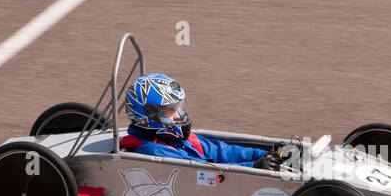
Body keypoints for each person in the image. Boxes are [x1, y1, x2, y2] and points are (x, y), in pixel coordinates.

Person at [119, 73, 284, 169]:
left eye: (178, 108)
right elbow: (207, 173)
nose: (178, 115)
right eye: (170, 110)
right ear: (149, 114)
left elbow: (222, 152)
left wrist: (271, 155)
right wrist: (256, 166)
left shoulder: (175, 138)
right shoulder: (153, 152)